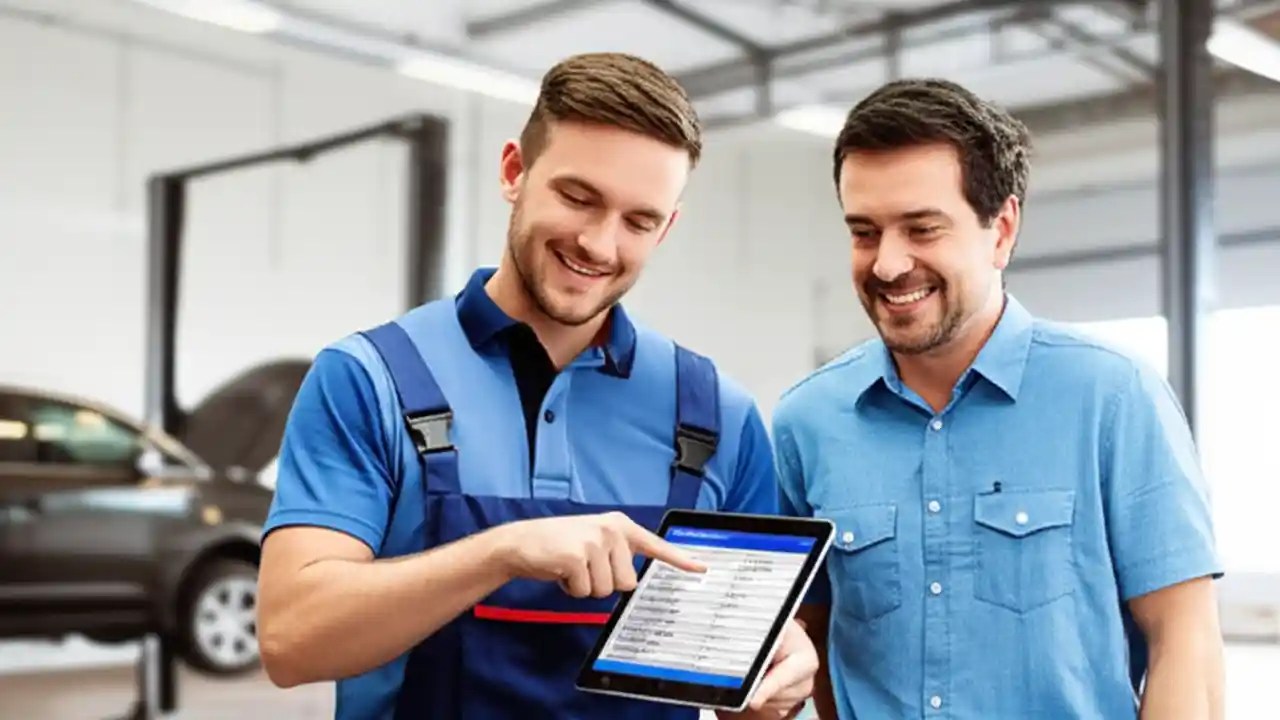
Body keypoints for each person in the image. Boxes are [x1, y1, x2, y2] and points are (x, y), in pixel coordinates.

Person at [255, 52, 817, 720]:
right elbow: (291, 641)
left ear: (667, 227)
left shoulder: (717, 415)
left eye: (638, 221)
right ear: (514, 172)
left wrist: (780, 669)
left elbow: (741, 675)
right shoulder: (368, 380)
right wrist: (501, 552)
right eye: (579, 198)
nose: (600, 245)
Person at [771, 78, 1226, 719]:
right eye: (865, 232)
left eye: (922, 229)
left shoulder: (1113, 397)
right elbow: (808, 648)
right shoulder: (804, 423)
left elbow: (1185, 642)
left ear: (1001, 229)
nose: (888, 264)